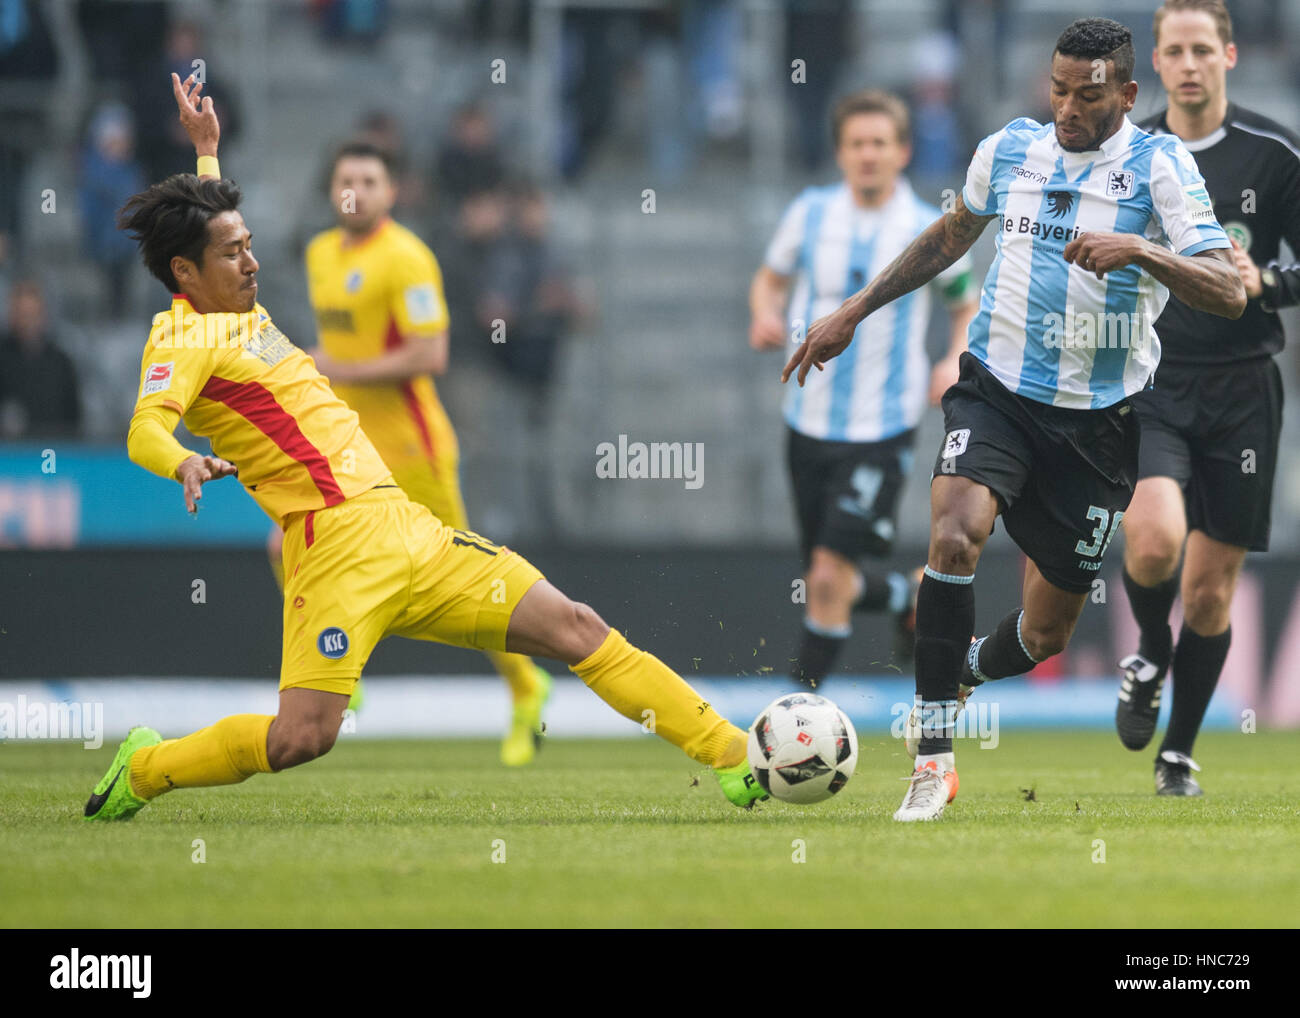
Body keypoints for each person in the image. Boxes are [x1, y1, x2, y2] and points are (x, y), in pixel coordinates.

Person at [83, 73, 766, 823]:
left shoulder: (231, 294)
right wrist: (179, 459)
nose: (251, 263)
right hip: (334, 548)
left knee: (577, 626)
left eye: (250, 246)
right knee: (301, 740)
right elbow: (144, 426)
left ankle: (735, 756)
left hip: (406, 526)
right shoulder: (183, 334)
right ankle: (146, 766)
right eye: (233, 254)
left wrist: (206, 152)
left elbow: (205, 228)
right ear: (186, 273)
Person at [783, 18, 1245, 822]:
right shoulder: (1010, 150)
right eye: (1058, 89)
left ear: (1129, 95)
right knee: (955, 531)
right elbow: (952, 233)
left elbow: (1228, 289)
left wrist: (1140, 253)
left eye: (1088, 94)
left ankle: (961, 668)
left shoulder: (1159, 166)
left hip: (1097, 428)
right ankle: (933, 759)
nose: (1067, 108)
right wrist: (853, 310)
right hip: (996, 392)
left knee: (1046, 633)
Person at [273, 138, 550, 767]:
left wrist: (338, 364)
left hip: (413, 449)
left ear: (391, 192)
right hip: (345, 445)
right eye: (347, 180)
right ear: (331, 191)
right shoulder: (318, 254)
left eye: (370, 181)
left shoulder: (407, 258)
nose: (357, 191)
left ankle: (526, 687)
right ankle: (334, 667)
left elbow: (432, 355)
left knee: (477, 586)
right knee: (285, 544)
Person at [1115, 0, 1300, 795]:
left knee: (1210, 589)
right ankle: (1150, 649)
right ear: (1155, 64)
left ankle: (1179, 754)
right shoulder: (1133, 153)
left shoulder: (1274, 154)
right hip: (1153, 377)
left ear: (1229, 55)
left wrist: (1272, 282)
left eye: (1203, 49)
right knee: (1154, 542)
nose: (1189, 64)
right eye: (1174, 51)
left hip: (1244, 391)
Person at [749, 89, 976, 689]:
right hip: (805, 421)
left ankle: (795, 712)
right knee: (829, 578)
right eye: (857, 143)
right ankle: (909, 594)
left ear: (902, 151)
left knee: (826, 577)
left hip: (881, 428)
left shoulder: (925, 230)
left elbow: (964, 304)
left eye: (880, 142)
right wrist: (764, 314)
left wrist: (954, 355)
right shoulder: (810, 213)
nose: (868, 154)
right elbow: (768, 281)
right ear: (840, 151)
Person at [0, 279, 82, 437]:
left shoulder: (62, 364)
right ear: (11, 315)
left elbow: (74, 420)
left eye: (32, 314)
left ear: (43, 315)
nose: (27, 322)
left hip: (54, 452)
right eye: (22, 314)